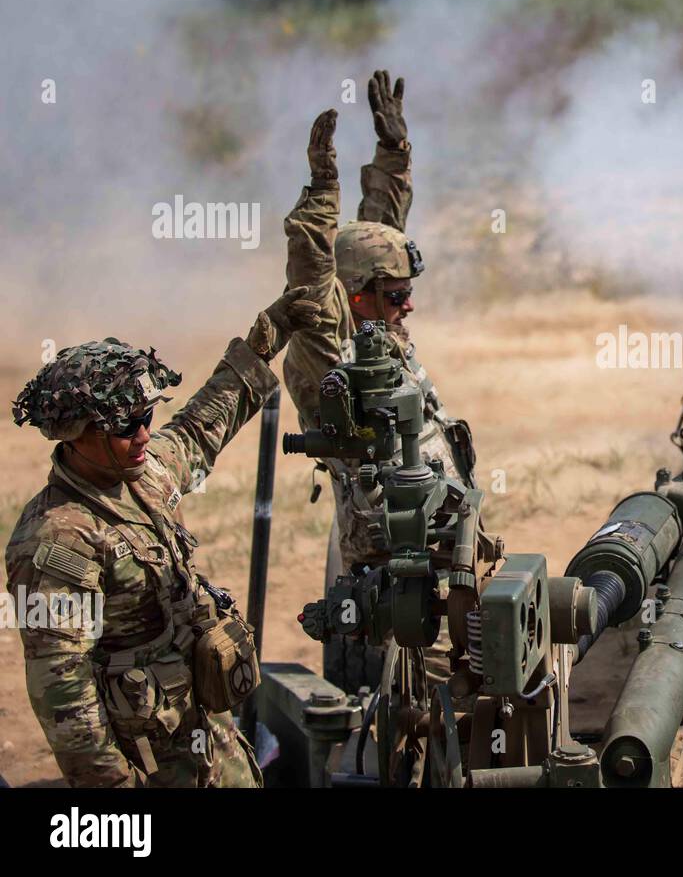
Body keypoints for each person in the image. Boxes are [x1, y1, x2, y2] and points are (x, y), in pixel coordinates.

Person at [5, 289, 321, 786]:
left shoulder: (139, 478)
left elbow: (198, 430)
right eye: (127, 425)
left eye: (147, 418)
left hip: (206, 740)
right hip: (154, 766)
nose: (145, 435)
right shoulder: (56, 541)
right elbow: (65, 699)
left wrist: (265, 342)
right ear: (75, 432)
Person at [282, 70, 475, 693]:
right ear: (355, 298)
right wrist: (321, 190)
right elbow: (317, 274)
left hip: (438, 543)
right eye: (396, 296)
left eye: (408, 293)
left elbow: (376, 234)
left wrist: (394, 153)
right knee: (423, 701)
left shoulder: (376, 324)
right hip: (395, 564)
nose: (408, 306)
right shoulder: (328, 354)